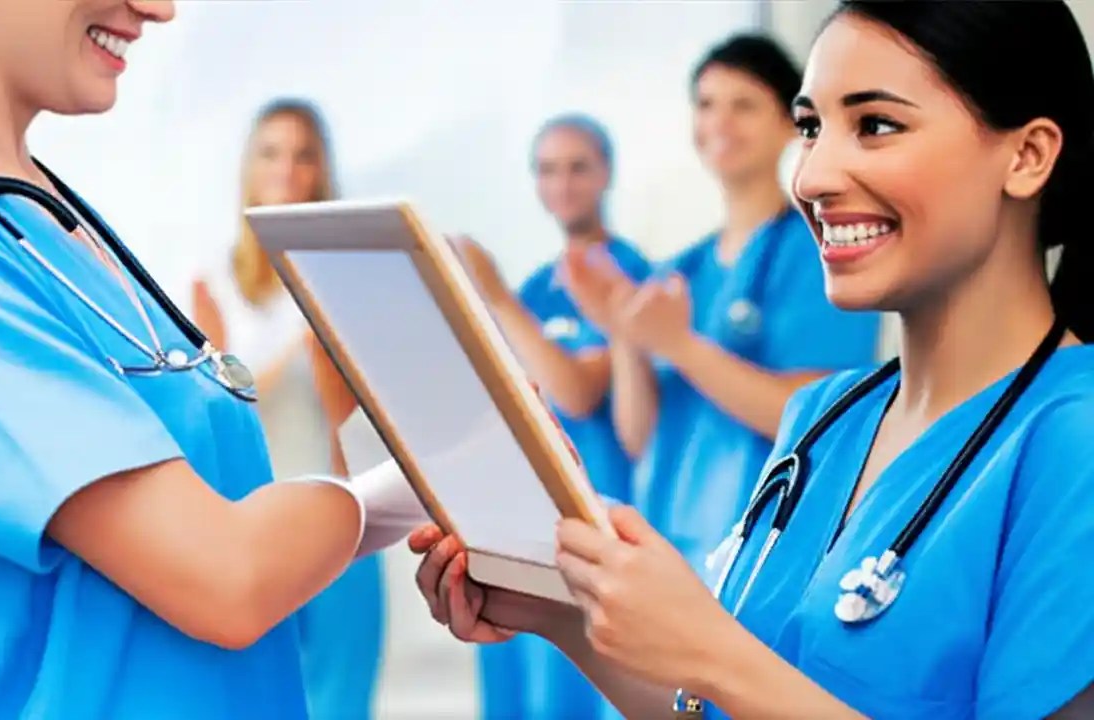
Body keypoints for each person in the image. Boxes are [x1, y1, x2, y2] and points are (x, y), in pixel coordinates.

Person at [412, 1, 1094, 718]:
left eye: (876, 125)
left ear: (1028, 156)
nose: (812, 176)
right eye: (811, 128)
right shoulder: (824, 419)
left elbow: (724, 673)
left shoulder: (1070, 440)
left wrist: (709, 651)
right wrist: (561, 611)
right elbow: (709, 705)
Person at [0, 1, 429, 717]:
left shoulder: (26, 212)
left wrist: (426, 487)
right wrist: (415, 484)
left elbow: (173, 549)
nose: (158, 8)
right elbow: (225, 575)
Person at [562, 34, 880, 581]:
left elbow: (818, 418)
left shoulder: (822, 258)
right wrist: (625, 336)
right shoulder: (676, 274)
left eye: (744, 105)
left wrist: (679, 346)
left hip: (769, 554)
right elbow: (641, 437)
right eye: (706, 104)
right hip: (671, 555)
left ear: (791, 124)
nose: (720, 122)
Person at [452, 114, 651, 720]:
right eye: (548, 169)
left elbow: (577, 392)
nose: (562, 184)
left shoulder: (631, 275)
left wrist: (493, 295)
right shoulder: (538, 287)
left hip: (598, 523)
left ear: (606, 174)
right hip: (528, 534)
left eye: (577, 167)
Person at [190, 98, 385, 720]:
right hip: (250, 523)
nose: (287, 169)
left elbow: (350, 419)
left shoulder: (346, 278)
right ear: (250, 167)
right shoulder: (212, 282)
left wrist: (323, 335)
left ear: (321, 171)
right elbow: (214, 410)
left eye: (304, 155)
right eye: (271, 152)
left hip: (339, 522)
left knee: (339, 705)